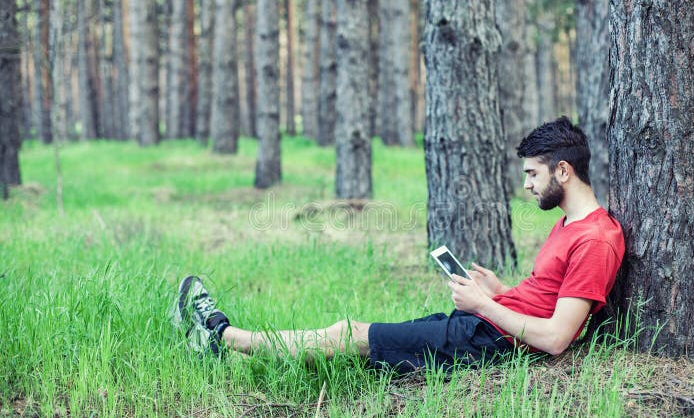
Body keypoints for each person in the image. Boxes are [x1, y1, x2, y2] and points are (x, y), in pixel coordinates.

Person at [170, 117, 624, 373]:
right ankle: (225, 341)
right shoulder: (570, 223)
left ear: (563, 171)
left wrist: (483, 307)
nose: (526, 185)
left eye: (533, 174)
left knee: (347, 334)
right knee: (355, 343)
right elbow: (547, 303)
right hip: (486, 328)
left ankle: (219, 335)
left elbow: (557, 338)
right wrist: (497, 291)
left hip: (487, 342)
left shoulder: (595, 239)